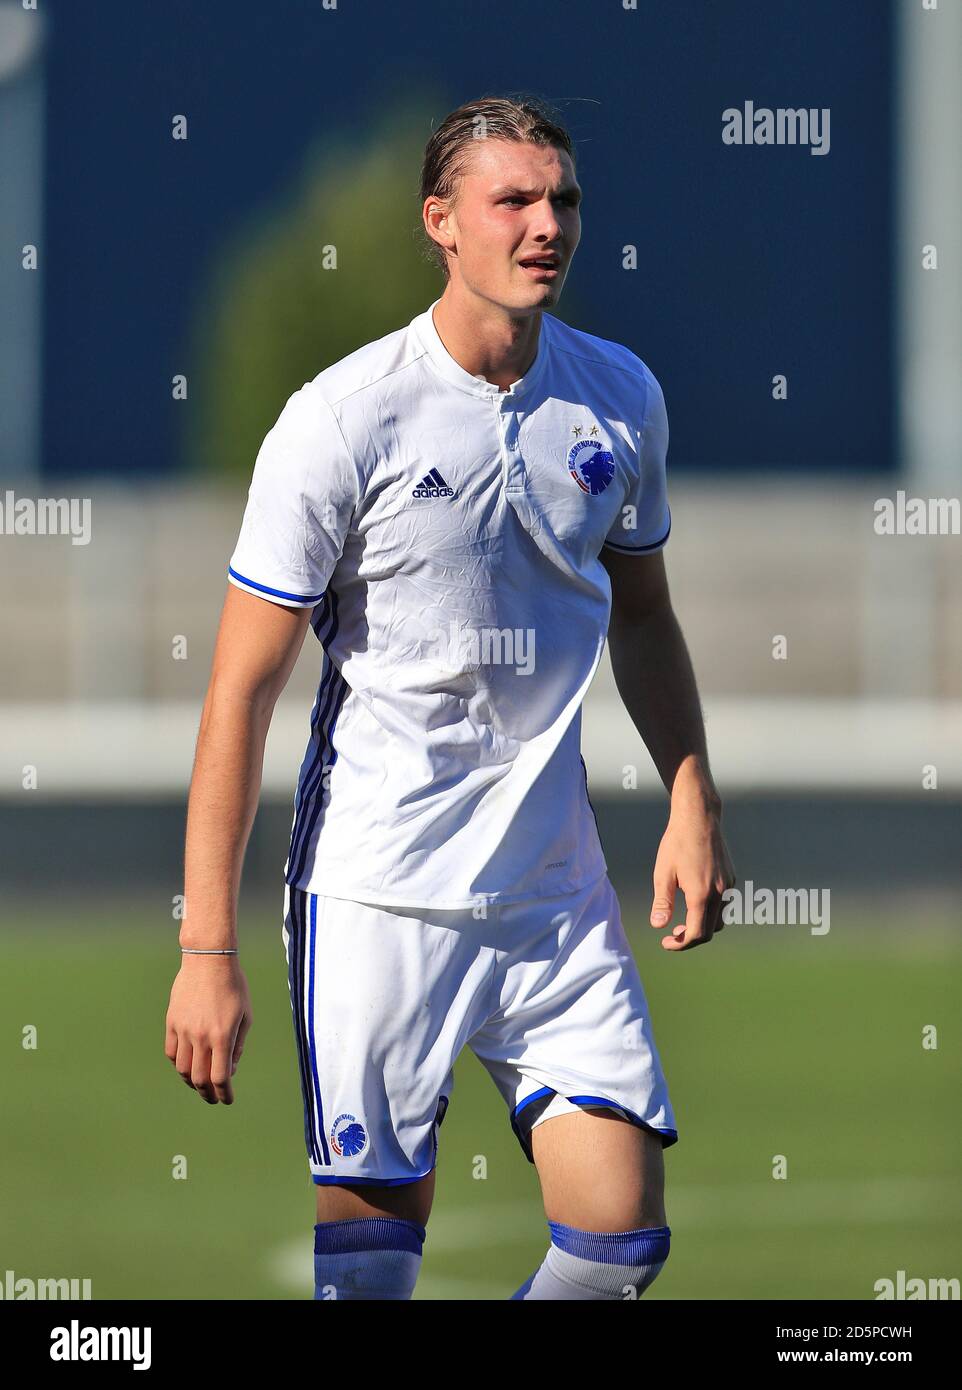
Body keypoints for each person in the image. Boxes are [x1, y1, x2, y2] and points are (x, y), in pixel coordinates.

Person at [165, 93, 735, 1301]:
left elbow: (644, 616)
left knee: (617, 1241)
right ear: (441, 222)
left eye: (562, 200)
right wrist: (205, 946)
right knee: (371, 1276)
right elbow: (238, 692)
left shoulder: (619, 397)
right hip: (379, 897)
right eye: (512, 202)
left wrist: (691, 801)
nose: (546, 226)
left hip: (553, 894)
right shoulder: (340, 419)